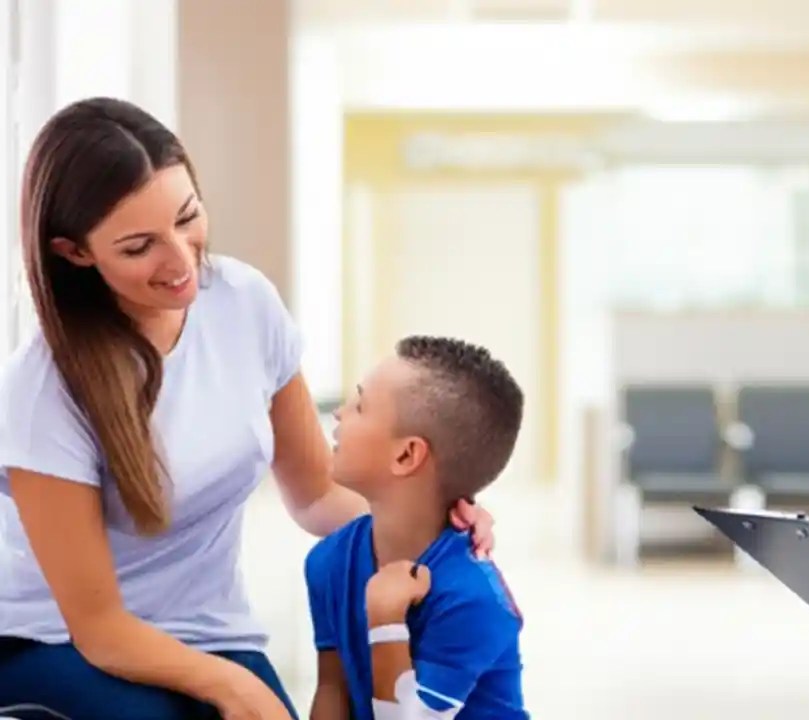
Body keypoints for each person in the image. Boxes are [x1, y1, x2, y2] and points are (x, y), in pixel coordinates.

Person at [0, 98, 497, 720]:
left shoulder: (243, 301)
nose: (181, 260)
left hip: (212, 633)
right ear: (75, 252)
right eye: (139, 247)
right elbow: (99, 627)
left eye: (187, 218)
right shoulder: (43, 388)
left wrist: (432, 535)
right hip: (60, 643)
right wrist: (234, 689)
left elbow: (316, 495)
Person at [305, 335, 527, 720]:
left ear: (406, 454)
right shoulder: (329, 561)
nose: (340, 413)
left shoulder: (473, 598)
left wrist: (386, 619)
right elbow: (331, 688)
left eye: (360, 405)